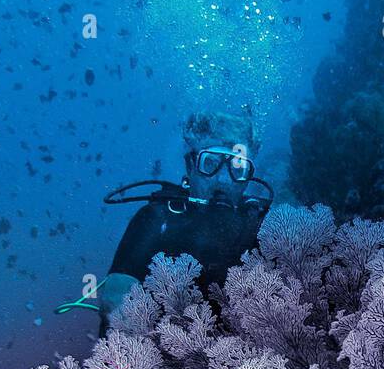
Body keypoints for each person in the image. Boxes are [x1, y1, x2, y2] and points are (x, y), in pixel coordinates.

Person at [56, 111, 273, 321]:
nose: (224, 180)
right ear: (191, 166)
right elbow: (117, 293)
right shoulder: (158, 218)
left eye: (239, 168)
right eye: (210, 164)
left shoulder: (261, 226)